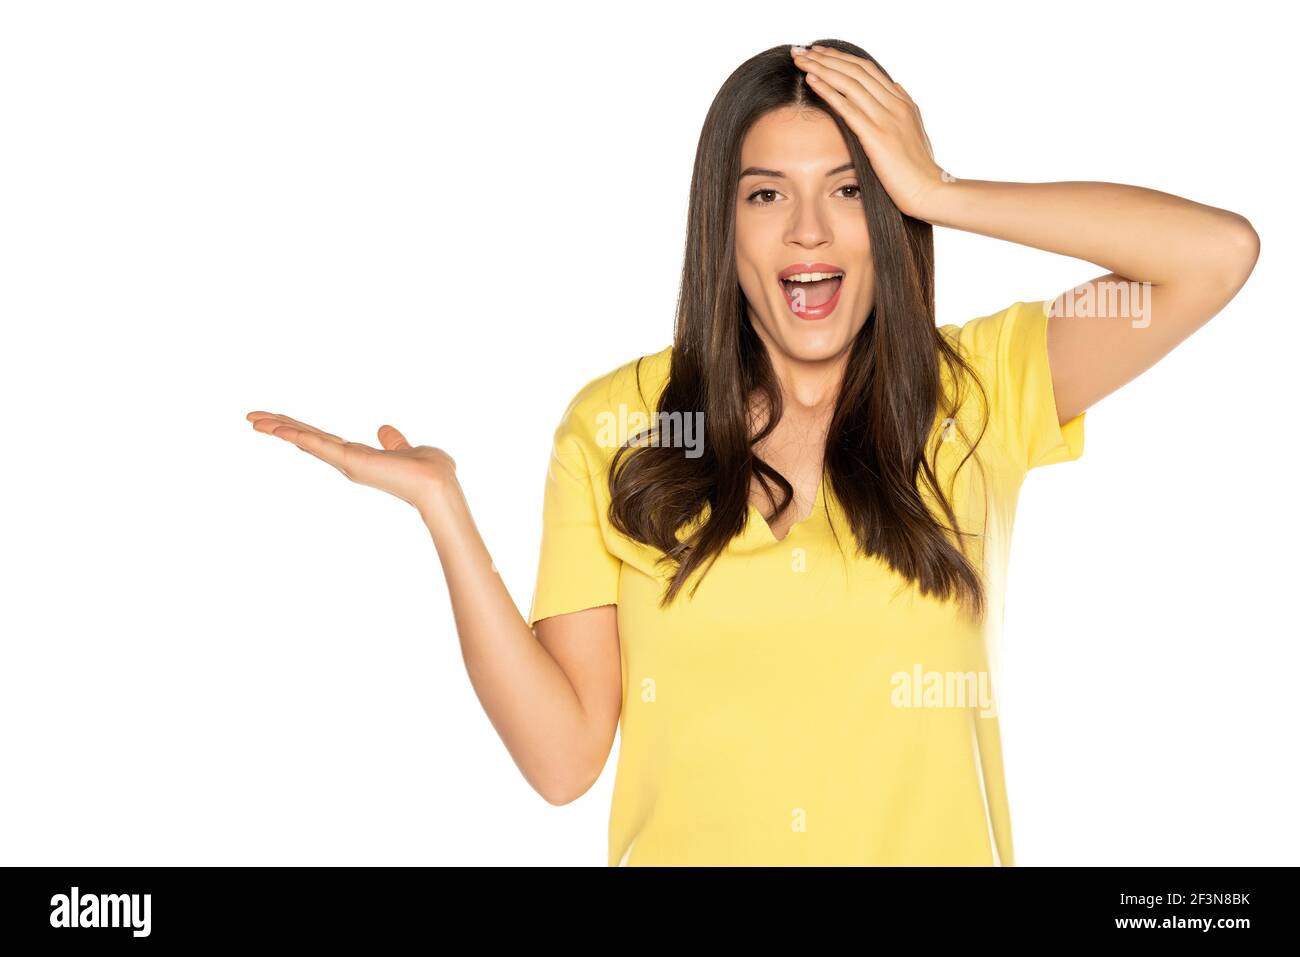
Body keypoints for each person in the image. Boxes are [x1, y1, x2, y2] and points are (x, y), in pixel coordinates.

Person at [246, 39, 1259, 865]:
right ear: (721, 223)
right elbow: (560, 762)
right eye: (766, 194)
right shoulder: (619, 423)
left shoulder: (974, 389)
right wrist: (445, 515)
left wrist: (939, 189)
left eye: (852, 192)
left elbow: (1213, 257)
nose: (809, 231)